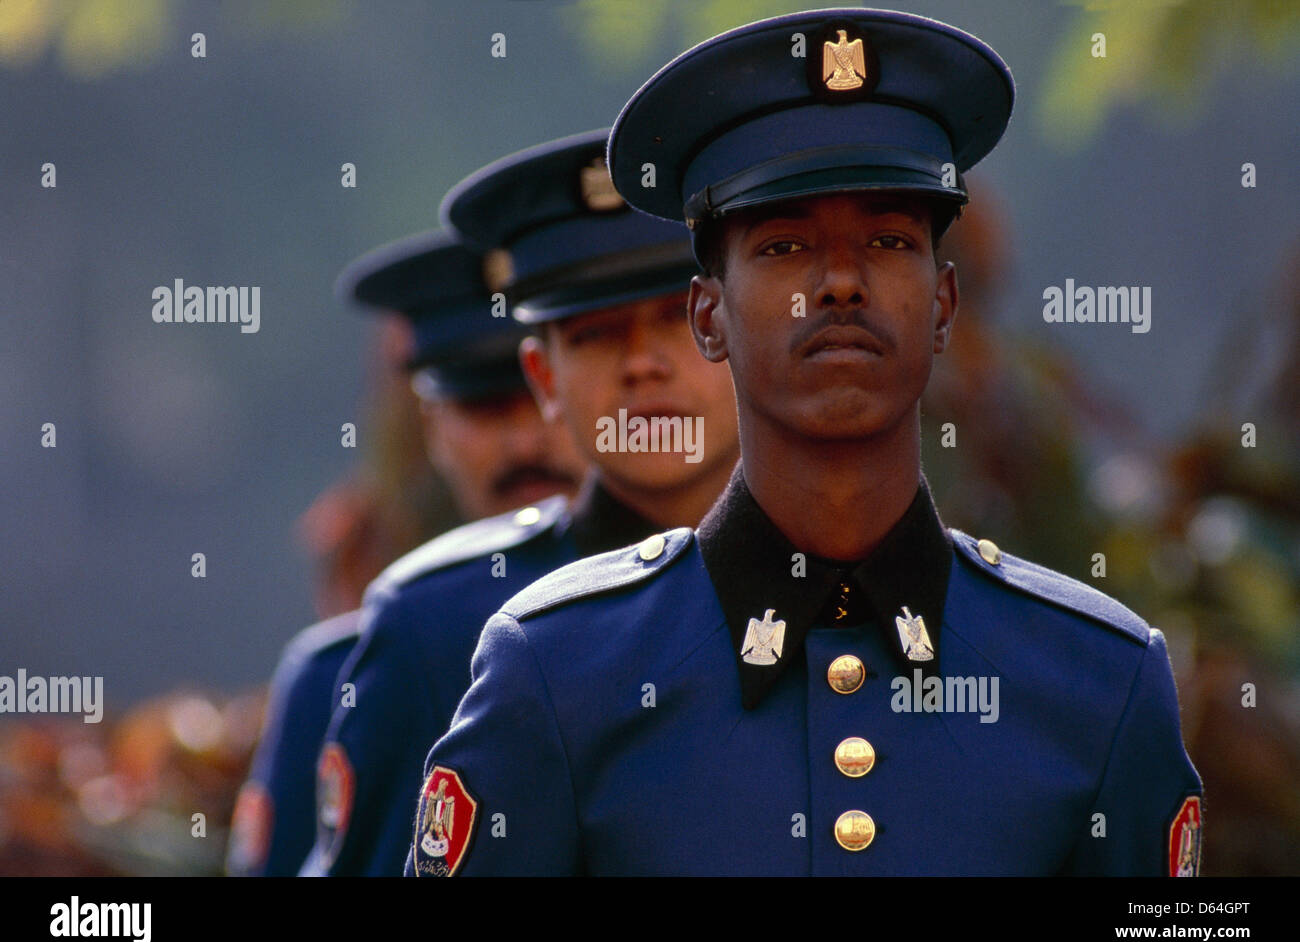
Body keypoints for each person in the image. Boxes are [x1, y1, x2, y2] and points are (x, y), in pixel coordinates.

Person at [407, 9, 1202, 876]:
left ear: (943, 304)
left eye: (888, 240)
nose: (840, 282)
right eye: (785, 245)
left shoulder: (1098, 682)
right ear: (708, 317)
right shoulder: (559, 676)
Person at [304, 131, 740, 876]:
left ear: (740, 328)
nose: (642, 363)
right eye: (595, 333)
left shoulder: (849, 580)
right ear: (543, 376)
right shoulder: (433, 622)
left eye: (676, 318)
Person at [227, 232, 582, 876]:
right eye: (483, 405)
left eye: (546, 396)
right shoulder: (337, 678)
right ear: (430, 427)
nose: (527, 440)